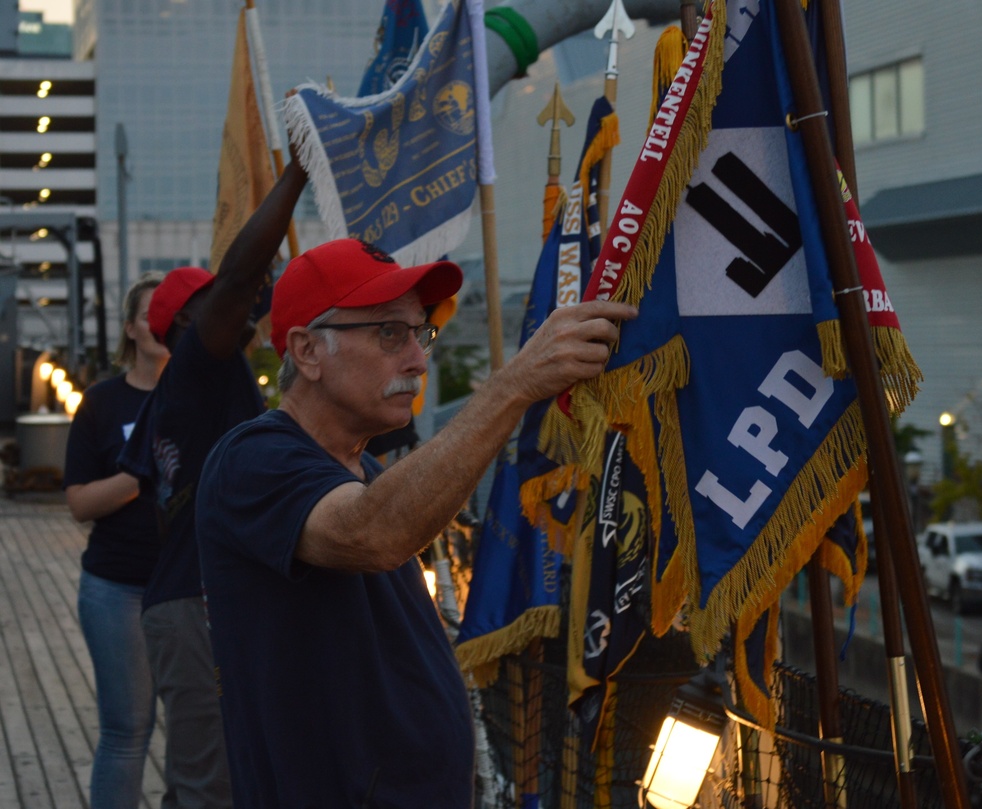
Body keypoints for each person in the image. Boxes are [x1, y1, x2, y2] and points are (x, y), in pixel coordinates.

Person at [195, 238, 636, 808]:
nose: (417, 358)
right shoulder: (252, 459)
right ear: (307, 352)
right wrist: (514, 385)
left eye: (418, 333)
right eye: (388, 334)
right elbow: (372, 534)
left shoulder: (365, 467)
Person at [118, 148, 307, 808]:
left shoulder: (185, 393)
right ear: (191, 323)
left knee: (228, 775)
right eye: (226, 297)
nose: (249, 297)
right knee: (207, 788)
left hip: (199, 602)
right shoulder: (197, 367)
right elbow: (241, 277)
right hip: (193, 608)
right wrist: (296, 176)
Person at [63, 272, 170, 809]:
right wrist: (138, 476)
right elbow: (80, 503)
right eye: (150, 312)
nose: (161, 322)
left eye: (172, 312)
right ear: (131, 328)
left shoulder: (204, 399)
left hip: (190, 589)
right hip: (116, 589)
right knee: (127, 732)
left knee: (206, 731)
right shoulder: (102, 403)